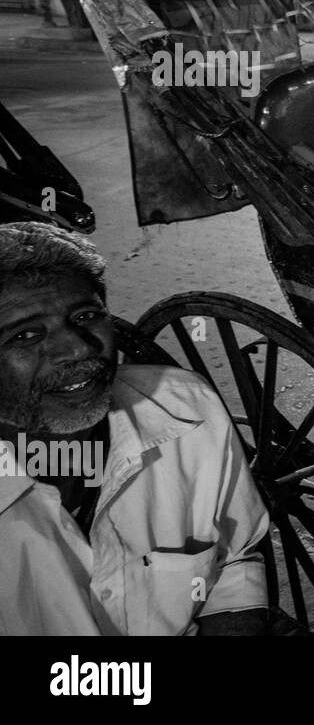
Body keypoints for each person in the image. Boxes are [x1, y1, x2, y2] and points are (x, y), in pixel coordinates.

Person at [0, 222, 269, 635]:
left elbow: (234, 562)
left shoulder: (187, 408)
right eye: (26, 334)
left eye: (86, 316)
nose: (78, 348)